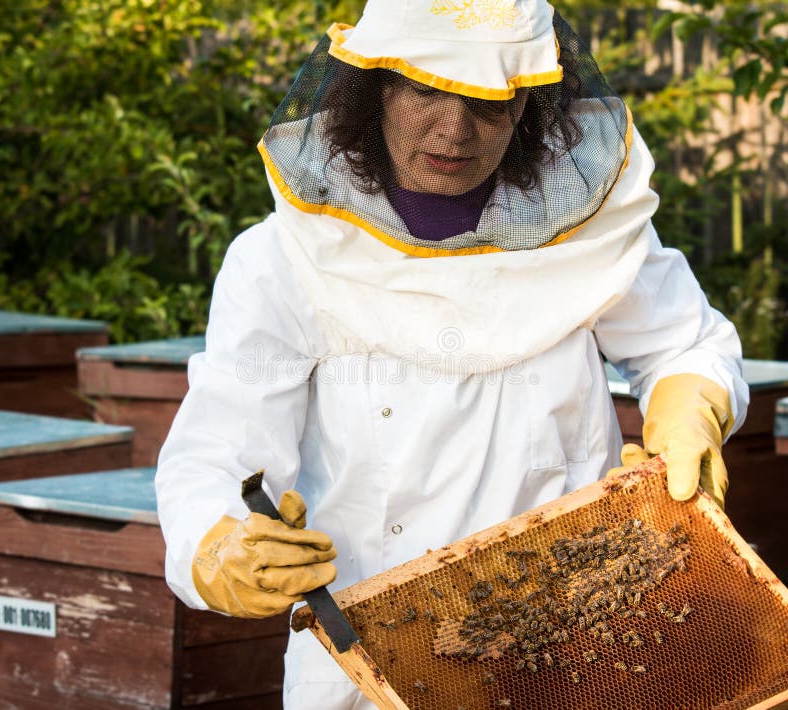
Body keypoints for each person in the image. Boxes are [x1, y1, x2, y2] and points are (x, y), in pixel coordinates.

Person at [155, 1, 749, 707]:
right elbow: (218, 453)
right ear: (377, 87)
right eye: (427, 91)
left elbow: (684, 342)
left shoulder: (584, 235)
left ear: (528, 103)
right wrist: (219, 547)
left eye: (489, 105)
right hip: (366, 669)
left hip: (580, 652)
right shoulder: (279, 260)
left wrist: (689, 412)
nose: (456, 131)